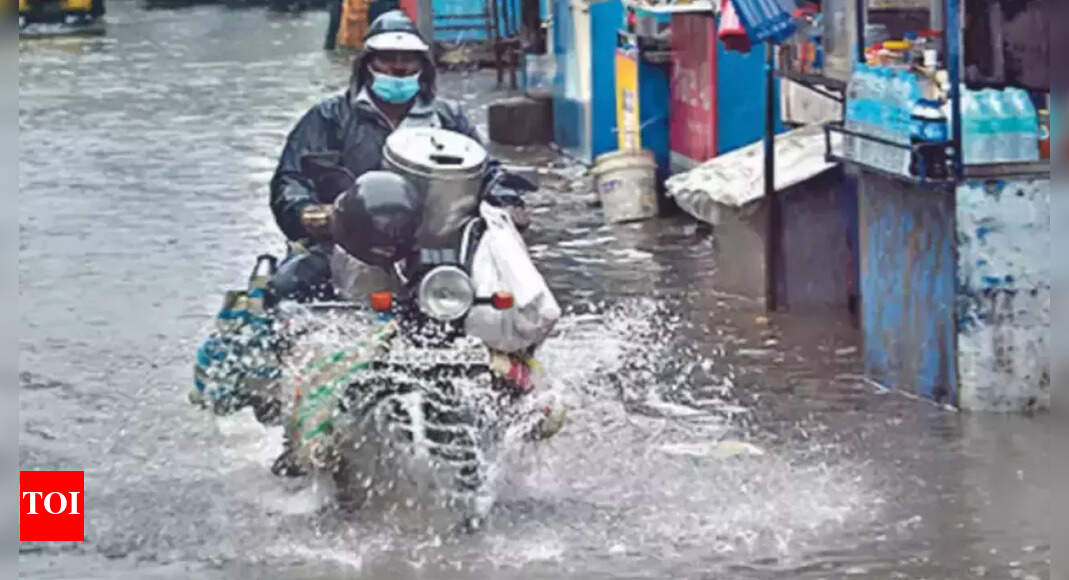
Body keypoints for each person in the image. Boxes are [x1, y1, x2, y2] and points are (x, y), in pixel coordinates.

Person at [269, 10, 528, 304]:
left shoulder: (446, 117)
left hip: (437, 244)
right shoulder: (329, 117)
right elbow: (290, 179)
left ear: (422, 65)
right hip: (347, 241)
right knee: (287, 288)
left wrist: (507, 199)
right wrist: (306, 212)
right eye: (387, 58)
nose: (398, 67)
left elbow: (485, 168)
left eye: (408, 58)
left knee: (506, 296)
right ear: (368, 64)